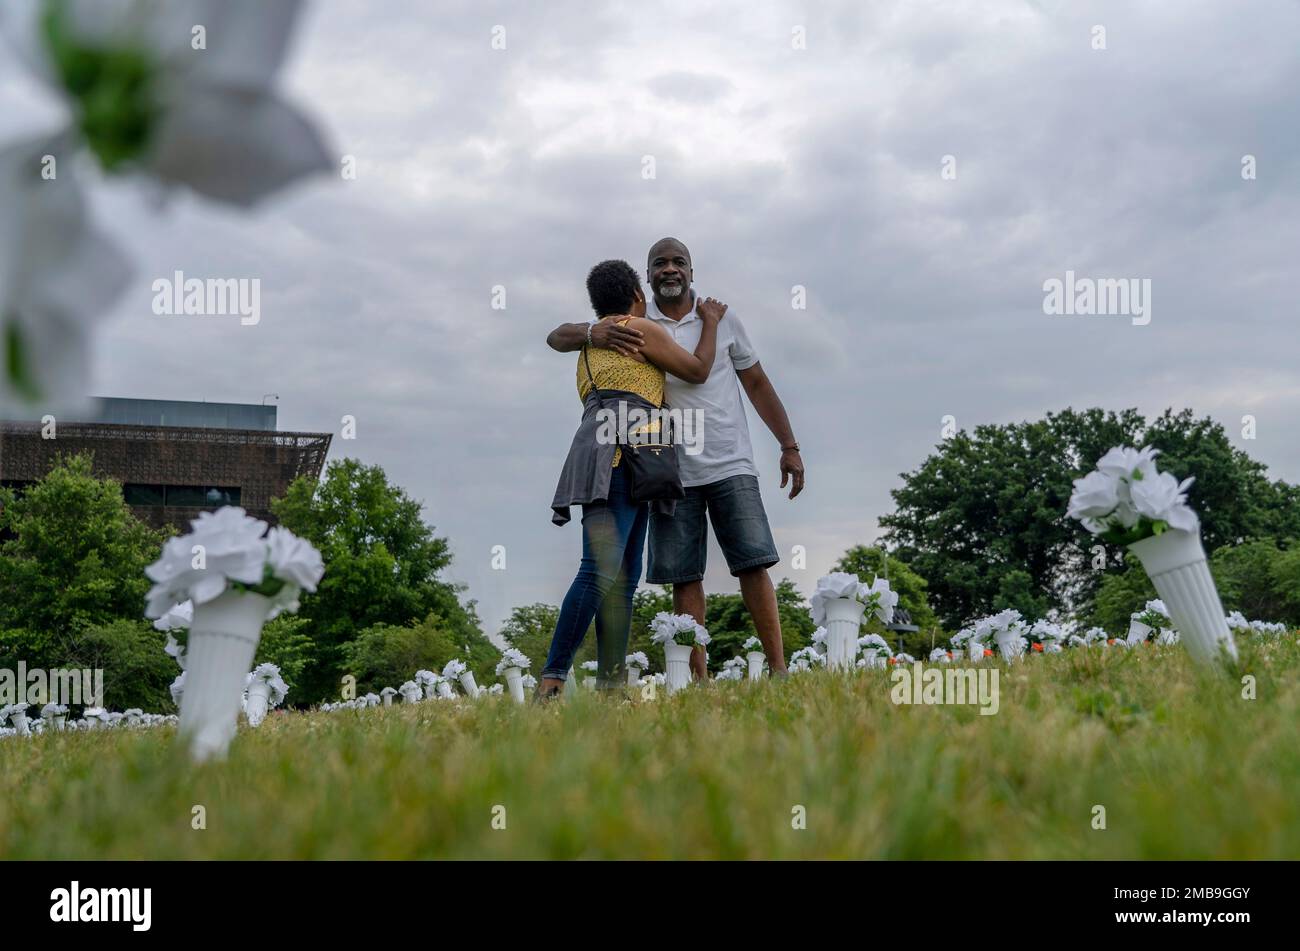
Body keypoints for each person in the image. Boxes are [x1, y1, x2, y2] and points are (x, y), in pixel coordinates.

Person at [547, 237, 803, 678]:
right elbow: (561, 335)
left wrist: (789, 445)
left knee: (753, 562)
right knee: (683, 576)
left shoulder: (721, 318)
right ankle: (697, 678)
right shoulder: (635, 322)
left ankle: (779, 671)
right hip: (665, 468)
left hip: (728, 459)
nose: (670, 269)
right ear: (646, 279)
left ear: (691, 271)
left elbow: (757, 382)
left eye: (678, 261)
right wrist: (592, 331)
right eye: (660, 263)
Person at [541, 258, 727, 699]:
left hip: (611, 450)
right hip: (625, 452)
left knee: (623, 577)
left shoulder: (590, 339)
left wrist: (589, 330)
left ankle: (609, 687)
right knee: (599, 571)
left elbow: (555, 335)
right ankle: (553, 679)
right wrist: (711, 321)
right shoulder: (639, 329)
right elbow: (698, 370)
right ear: (638, 296)